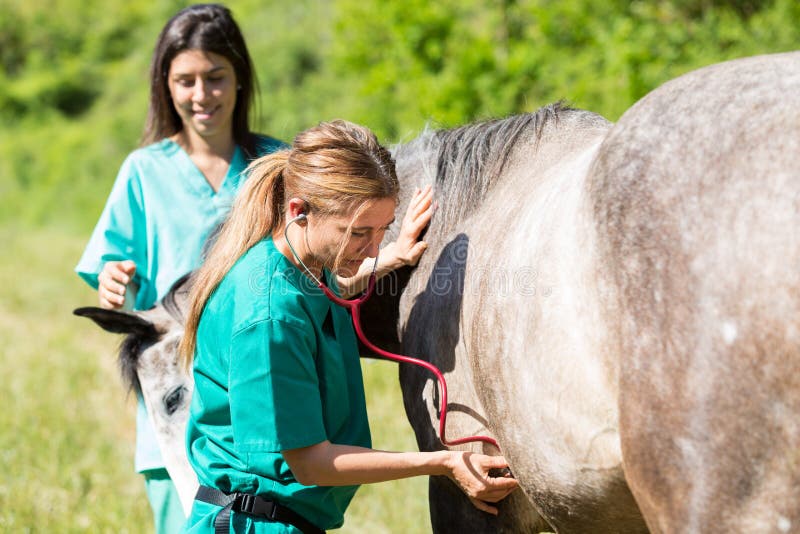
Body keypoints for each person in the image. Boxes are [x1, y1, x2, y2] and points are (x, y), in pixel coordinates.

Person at [178, 120, 519, 533]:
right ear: (299, 211)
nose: (371, 246)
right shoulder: (267, 318)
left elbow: (326, 288)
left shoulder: (294, 263)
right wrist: (444, 462)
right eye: (359, 232)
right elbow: (310, 462)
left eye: (382, 228)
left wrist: (391, 256)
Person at [75, 5, 285, 532]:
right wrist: (112, 279)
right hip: (177, 412)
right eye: (185, 80)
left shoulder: (275, 166)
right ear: (164, 85)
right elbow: (109, 270)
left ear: (240, 78)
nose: (201, 95)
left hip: (266, 398)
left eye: (215, 77)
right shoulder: (143, 172)